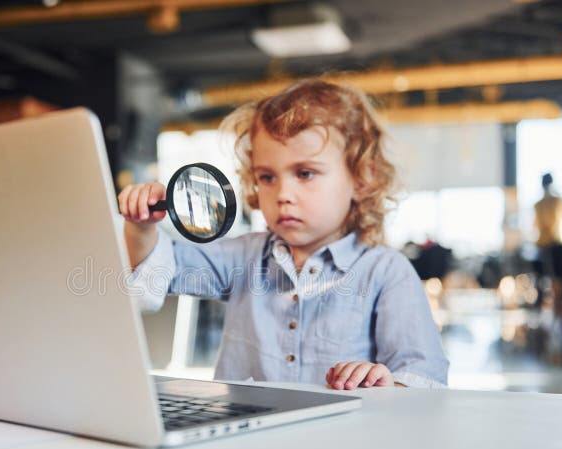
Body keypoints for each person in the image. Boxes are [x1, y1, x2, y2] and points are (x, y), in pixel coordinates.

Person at [118, 79, 448, 389]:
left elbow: (423, 374)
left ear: (361, 178)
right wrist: (141, 226)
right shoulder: (243, 257)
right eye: (267, 177)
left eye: (305, 173)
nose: (282, 194)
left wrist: (384, 382)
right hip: (245, 429)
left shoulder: (387, 272)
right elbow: (158, 273)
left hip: (341, 433)